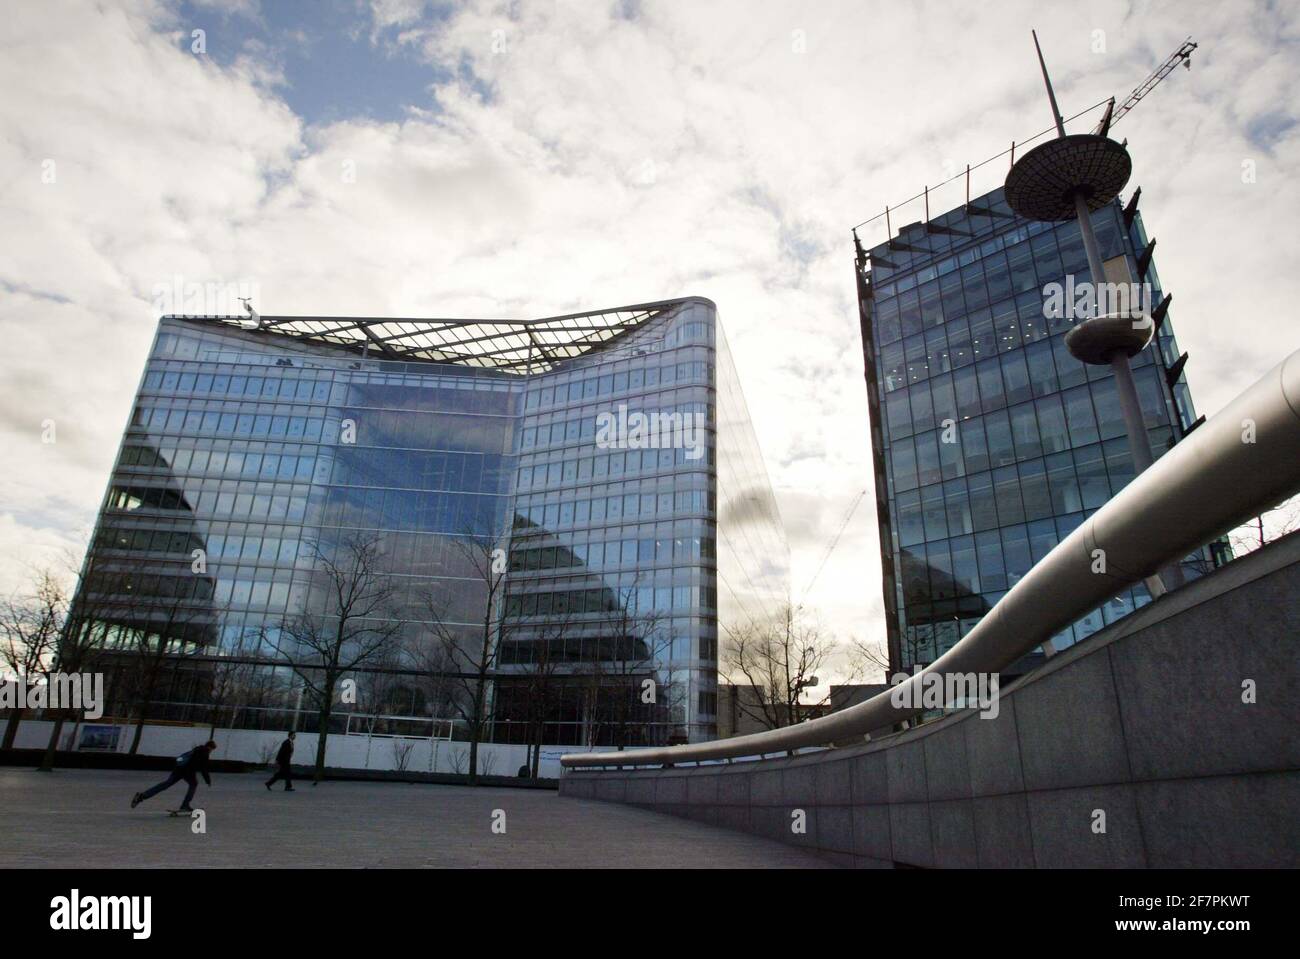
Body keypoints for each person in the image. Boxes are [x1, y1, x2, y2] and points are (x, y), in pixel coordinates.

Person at [131, 740, 217, 811]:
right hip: (188, 772)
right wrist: (207, 780)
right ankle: (185, 805)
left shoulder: (196, 749)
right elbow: (203, 768)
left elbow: (183, 759)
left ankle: (142, 796)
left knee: (165, 784)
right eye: (212, 749)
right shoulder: (204, 753)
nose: (211, 751)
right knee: (193, 785)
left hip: (179, 769)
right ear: (210, 747)